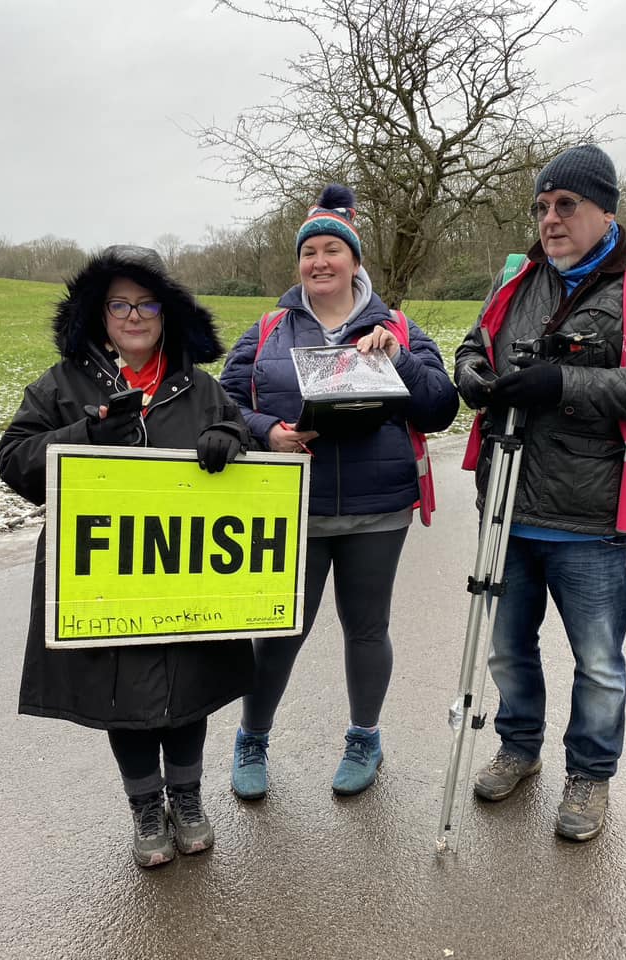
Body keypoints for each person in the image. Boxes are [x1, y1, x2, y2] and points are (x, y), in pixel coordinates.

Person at [454, 144, 626, 841]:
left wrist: (564, 383)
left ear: (605, 209)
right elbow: (476, 343)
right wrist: (472, 372)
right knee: (506, 648)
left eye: (566, 206)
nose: (550, 219)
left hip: (590, 517)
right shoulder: (517, 277)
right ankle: (519, 747)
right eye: (542, 206)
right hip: (504, 503)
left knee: (597, 660)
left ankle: (590, 776)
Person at [0, 245, 254, 868]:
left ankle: (188, 797)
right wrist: (83, 435)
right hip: (104, 578)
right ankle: (145, 804)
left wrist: (231, 436)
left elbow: (237, 429)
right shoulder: (61, 385)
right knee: (126, 697)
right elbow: (14, 459)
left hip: (187, 578)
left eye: (146, 304)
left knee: (189, 688)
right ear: (99, 312)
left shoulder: (200, 386)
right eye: (120, 304)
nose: (133, 315)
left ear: (167, 313)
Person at [220, 184, 459, 799]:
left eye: (333, 249)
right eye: (309, 252)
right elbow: (219, 404)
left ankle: (364, 738)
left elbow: (439, 408)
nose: (319, 262)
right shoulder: (270, 328)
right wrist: (267, 432)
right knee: (277, 631)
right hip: (291, 508)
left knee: (367, 629)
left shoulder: (398, 325)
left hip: (378, 512)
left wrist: (398, 359)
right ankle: (252, 738)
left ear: (356, 260)